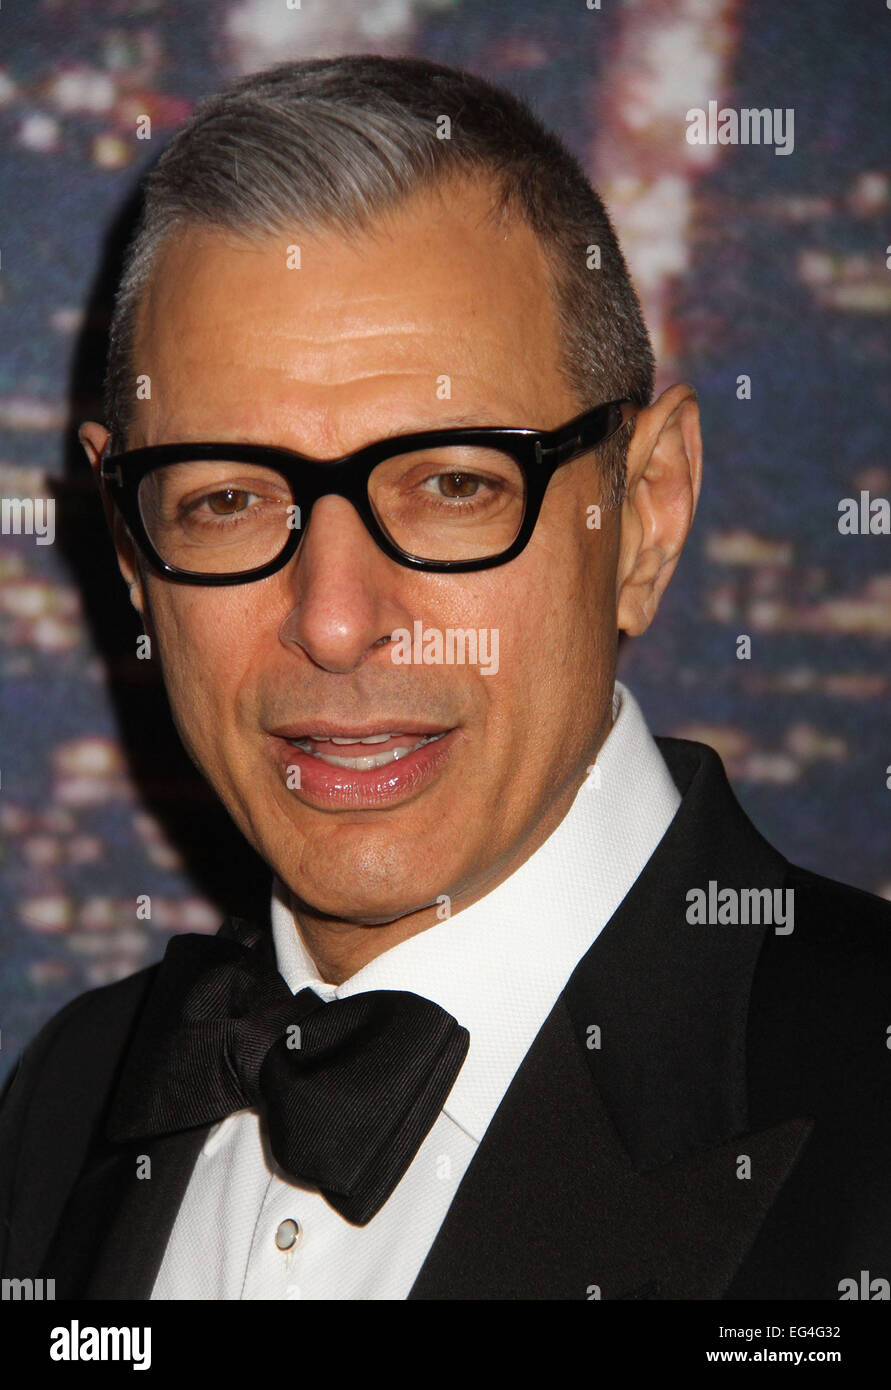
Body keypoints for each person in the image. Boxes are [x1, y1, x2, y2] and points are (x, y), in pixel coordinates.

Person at [1, 54, 889, 1303]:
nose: (339, 622)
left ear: (646, 512)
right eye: (227, 501)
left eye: (457, 484)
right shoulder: (65, 1104)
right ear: (130, 550)